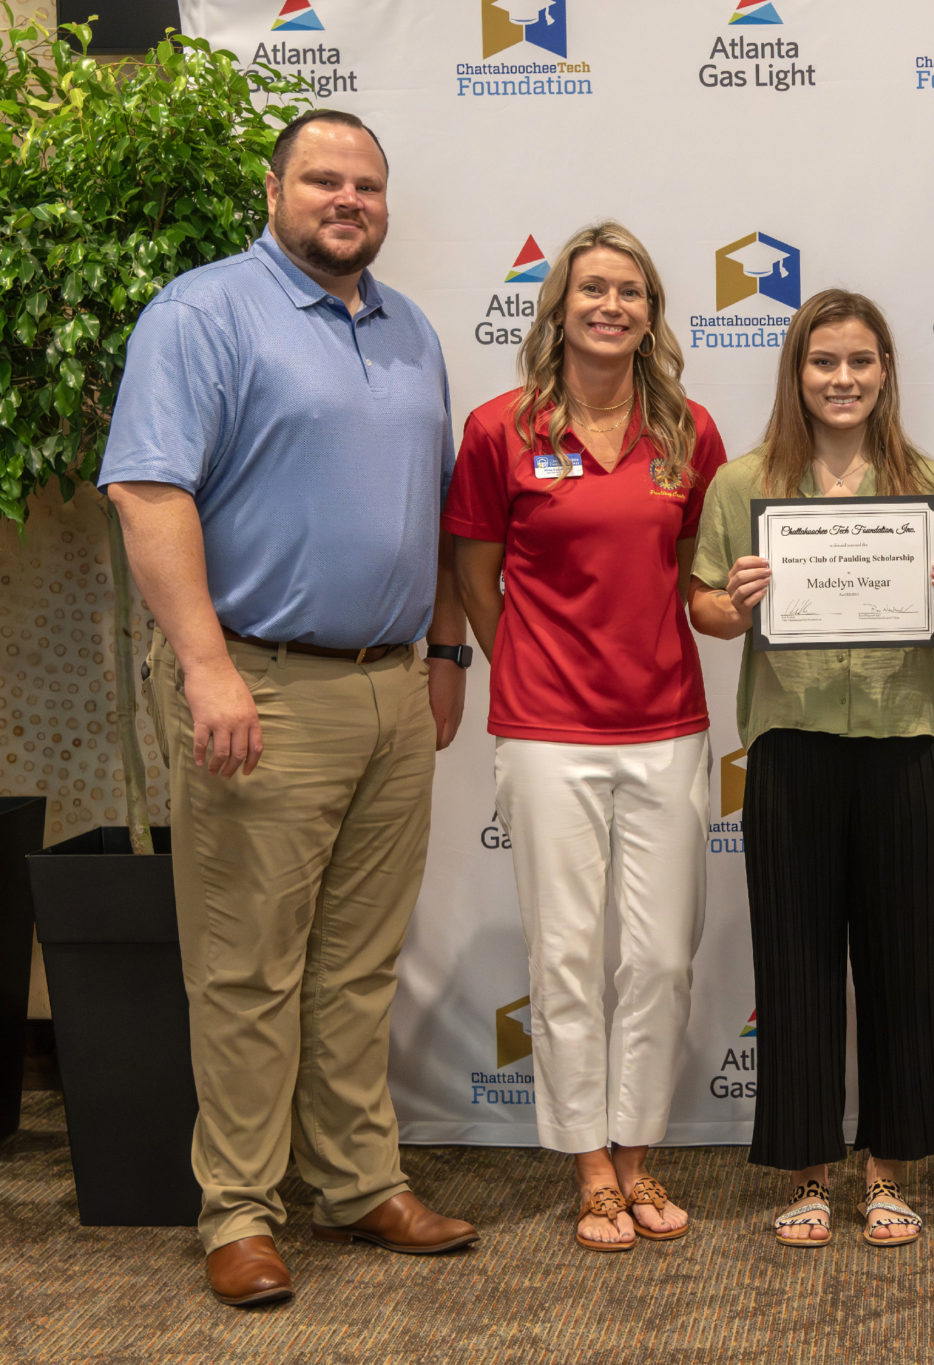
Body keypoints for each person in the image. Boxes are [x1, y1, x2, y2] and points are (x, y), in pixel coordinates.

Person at [99, 109, 478, 1308]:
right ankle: (241, 1212)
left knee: (358, 965)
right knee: (247, 969)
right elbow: (150, 492)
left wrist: (448, 654)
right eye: (323, 179)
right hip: (259, 683)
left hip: (389, 683)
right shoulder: (201, 313)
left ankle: (358, 1179)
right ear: (273, 190)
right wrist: (206, 668)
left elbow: (432, 511)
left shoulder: (410, 329)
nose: (347, 199)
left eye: (367, 183)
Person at [444, 223, 727, 1253]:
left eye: (631, 292)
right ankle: (591, 1168)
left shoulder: (689, 432)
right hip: (546, 729)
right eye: (591, 289)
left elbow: (690, 566)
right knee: (566, 955)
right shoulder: (495, 430)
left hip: (667, 725)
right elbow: (474, 575)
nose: (610, 306)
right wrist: (523, 659)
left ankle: (640, 1150)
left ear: (651, 313)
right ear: (557, 305)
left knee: (656, 958)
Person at [688, 289, 934, 1248]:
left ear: (887, 371)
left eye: (860, 362)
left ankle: (889, 1171)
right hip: (791, 748)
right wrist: (734, 605)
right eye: (824, 363)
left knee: (905, 964)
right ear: (797, 373)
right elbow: (703, 606)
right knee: (798, 961)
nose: (843, 379)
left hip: (904, 746)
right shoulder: (743, 485)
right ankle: (809, 1173)